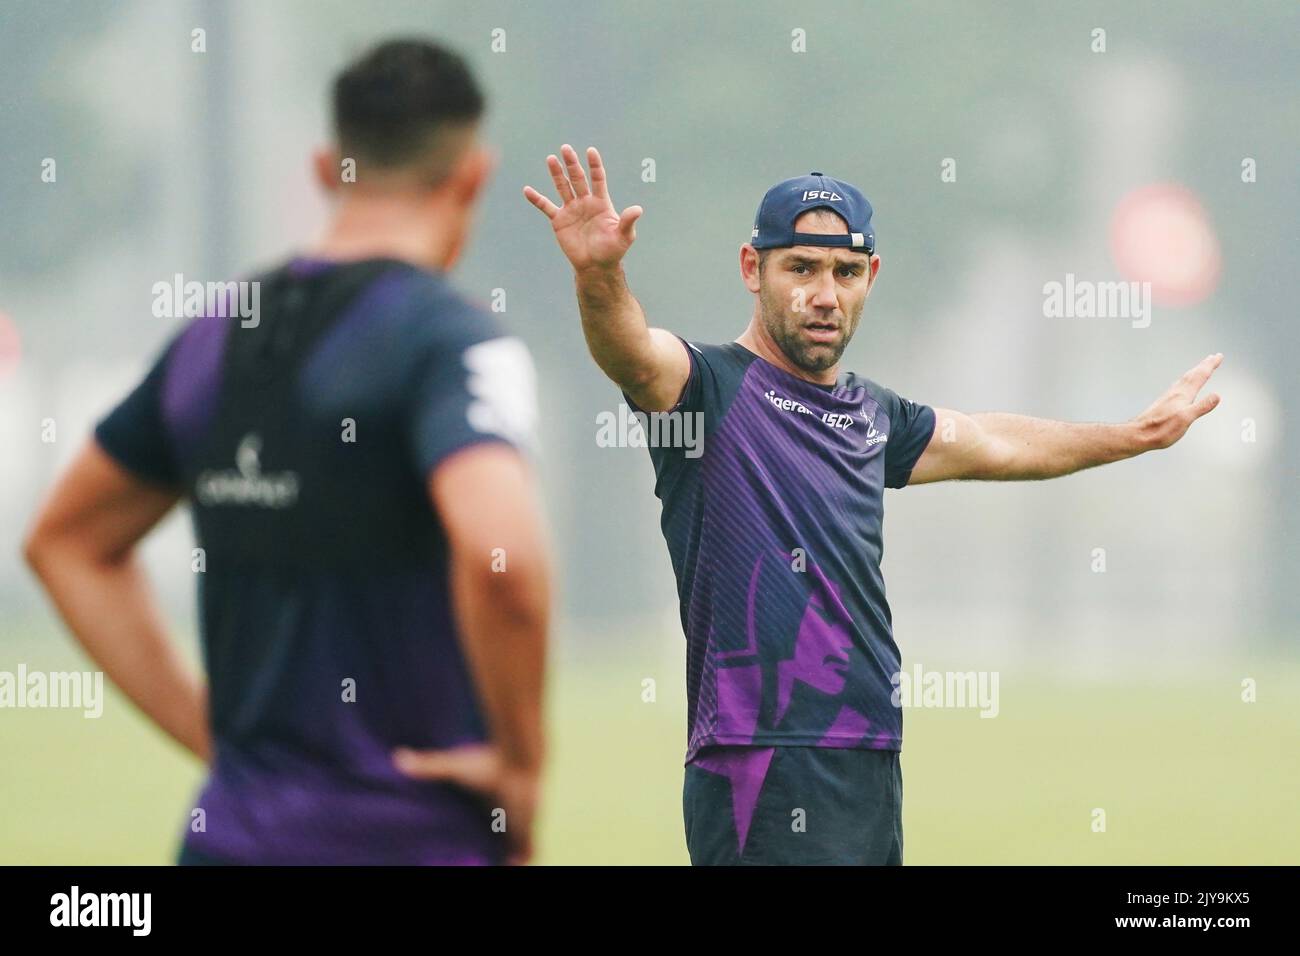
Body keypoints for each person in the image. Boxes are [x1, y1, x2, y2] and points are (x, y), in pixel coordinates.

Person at [524, 145, 1222, 865]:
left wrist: (1135, 436)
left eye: (845, 272)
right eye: (801, 268)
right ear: (751, 269)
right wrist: (599, 272)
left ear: (870, 278)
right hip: (755, 753)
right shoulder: (705, 391)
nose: (825, 294)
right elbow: (632, 352)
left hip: (868, 750)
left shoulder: (872, 416)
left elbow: (994, 442)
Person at [23, 38, 550, 866]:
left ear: (323, 168)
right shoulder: (451, 343)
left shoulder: (209, 340)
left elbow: (65, 543)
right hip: (411, 840)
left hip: (231, 840)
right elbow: (504, 560)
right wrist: (521, 767)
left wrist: (224, 743)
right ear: (473, 176)